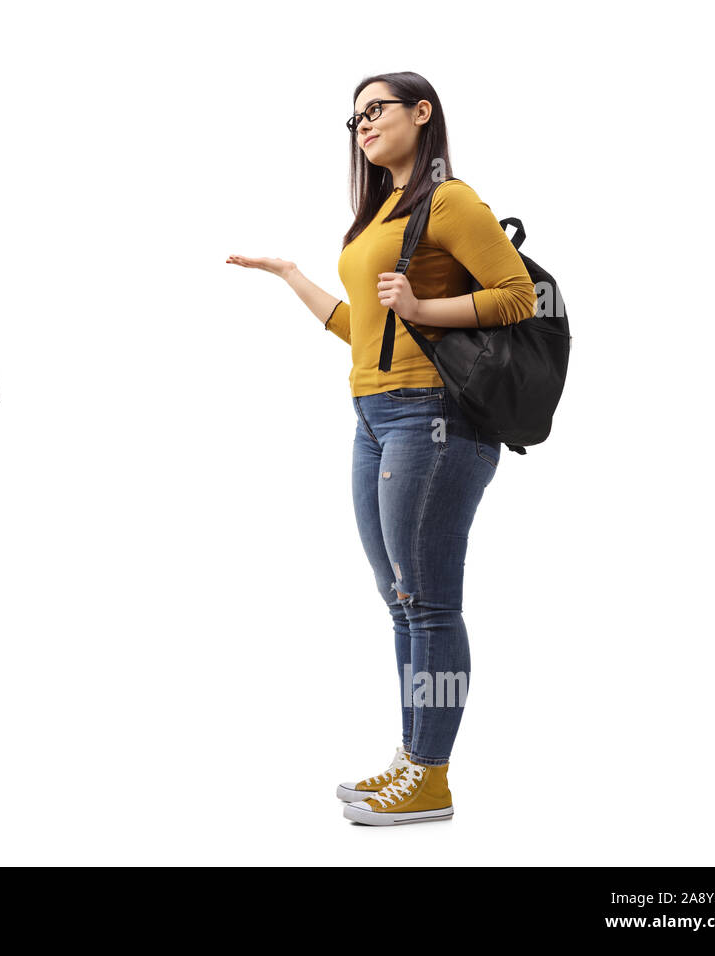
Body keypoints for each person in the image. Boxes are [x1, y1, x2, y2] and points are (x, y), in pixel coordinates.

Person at [226, 72, 535, 825]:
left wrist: (426, 305)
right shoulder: (382, 214)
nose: (363, 125)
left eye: (378, 110)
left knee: (429, 605)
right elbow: (366, 330)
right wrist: (294, 276)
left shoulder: (450, 200)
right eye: (354, 117)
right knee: (402, 603)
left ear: (421, 113)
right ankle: (410, 757)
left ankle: (431, 778)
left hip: (433, 419)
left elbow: (517, 294)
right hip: (372, 415)